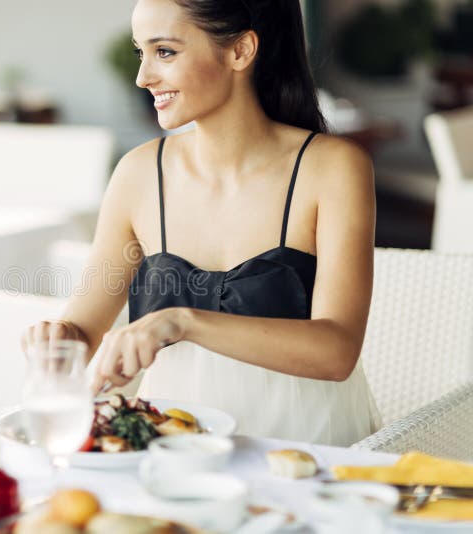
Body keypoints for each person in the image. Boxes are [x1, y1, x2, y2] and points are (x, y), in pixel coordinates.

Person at [22, 0, 379, 446]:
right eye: (141, 52)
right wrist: (58, 338)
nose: (143, 77)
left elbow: (337, 352)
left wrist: (183, 321)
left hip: (304, 443)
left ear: (240, 51)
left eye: (165, 52)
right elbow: (82, 330)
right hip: (172, 440)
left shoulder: (332, 168)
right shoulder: (138, 174)